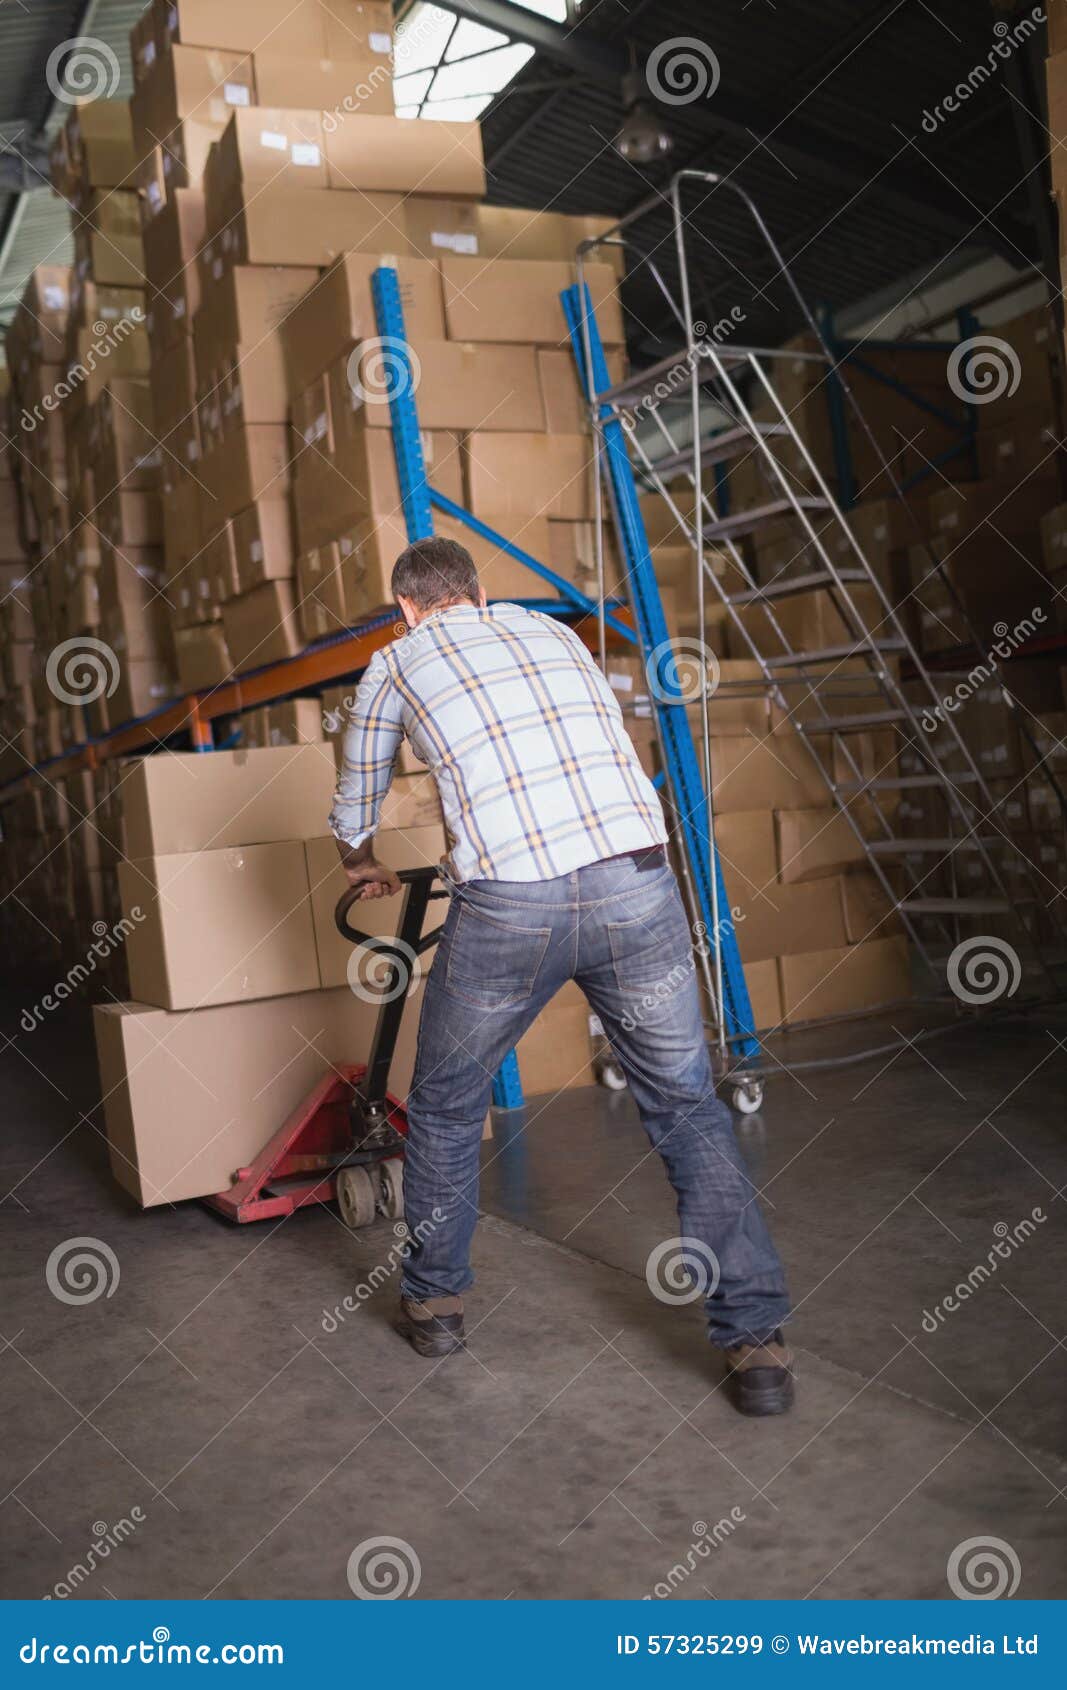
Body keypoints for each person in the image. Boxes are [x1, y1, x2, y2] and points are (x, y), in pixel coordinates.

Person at [329, 536, 793, 1416]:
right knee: (686, 1107)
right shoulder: (556, 637)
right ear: (477, 593)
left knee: (444, 1105)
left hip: (511, 906)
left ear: (407, 609)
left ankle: (435, 1305)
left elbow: (356, 790)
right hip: (637, 884)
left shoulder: (394, 663)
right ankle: (757, 1346)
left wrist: (358, 859)